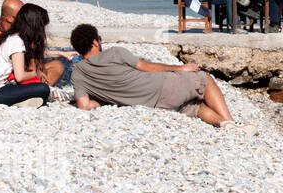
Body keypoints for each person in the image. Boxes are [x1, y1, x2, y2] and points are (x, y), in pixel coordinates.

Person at [68, 24, 236, 127]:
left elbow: (84, 105)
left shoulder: (78, 74)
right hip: (161, 87)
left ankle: (222, 123)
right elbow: (149, 67)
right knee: (204, 78)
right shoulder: (115, 53)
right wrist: (180, 68)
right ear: (95, 42)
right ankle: (231, 122)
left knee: (194, 107)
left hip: (155, 105)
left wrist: (106, 99)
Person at [0, 0, 75, 84]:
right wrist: (35, 70)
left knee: (57, 66)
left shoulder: (17, 33)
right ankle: (37, 90)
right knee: (33, 61)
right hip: (2, 75)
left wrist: (61, 53)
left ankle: (41, 89)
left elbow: (30, 53)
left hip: (18, 69)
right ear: (10, 18)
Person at [0, 3, 54, 107]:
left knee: (36, 89)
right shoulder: (17, 42)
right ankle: (26, 102)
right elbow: (20, 77)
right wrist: (36, 73)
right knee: (43, 88)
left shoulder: (8, 36)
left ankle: (26, 102)